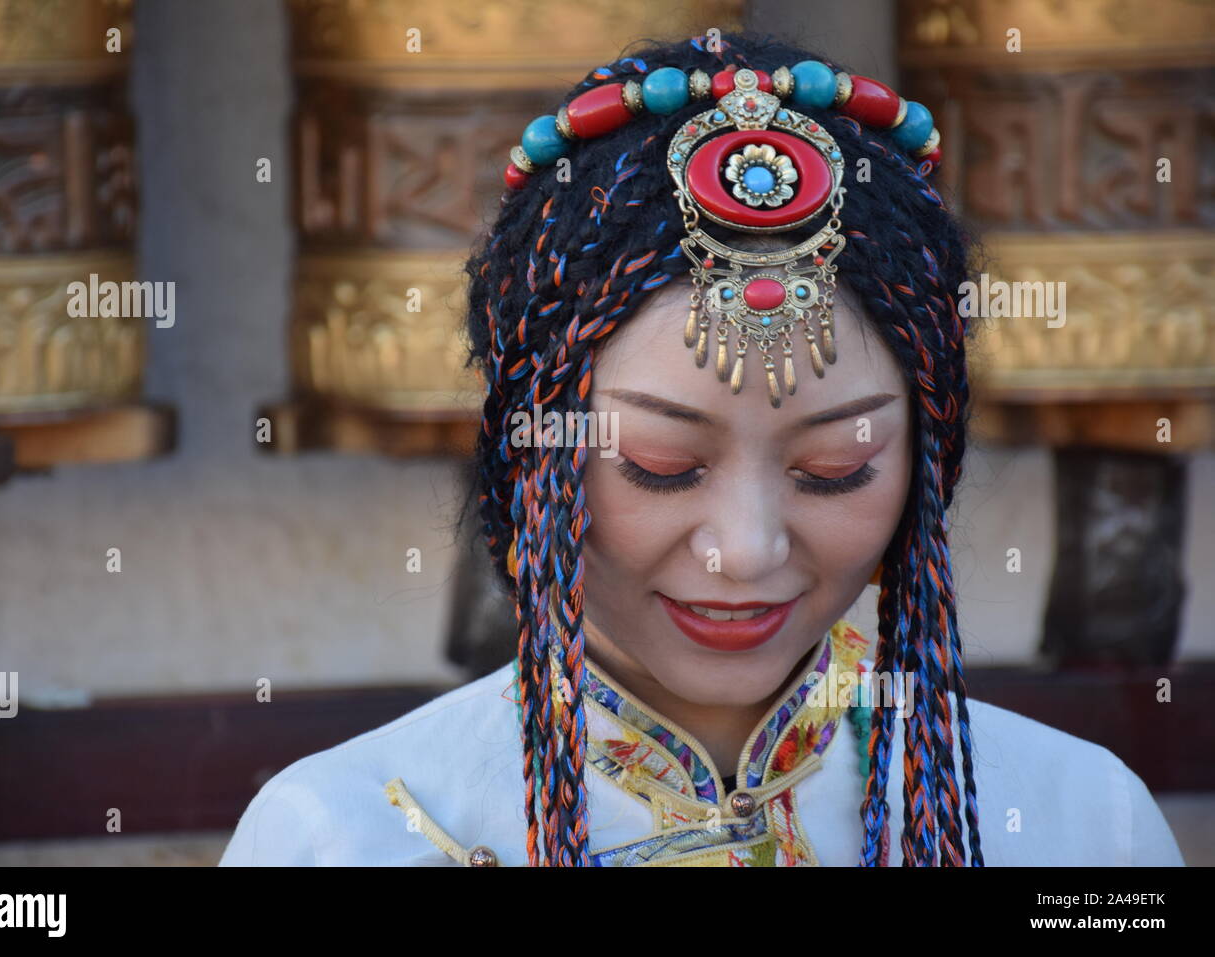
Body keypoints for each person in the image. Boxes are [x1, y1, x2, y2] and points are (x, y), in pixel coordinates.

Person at [219, 32, 1184, 867]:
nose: (749, 548)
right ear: (536, 458)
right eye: (661, 463)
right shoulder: (344, 836)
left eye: (835, 469)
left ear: (927, 462)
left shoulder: (1080, 828)